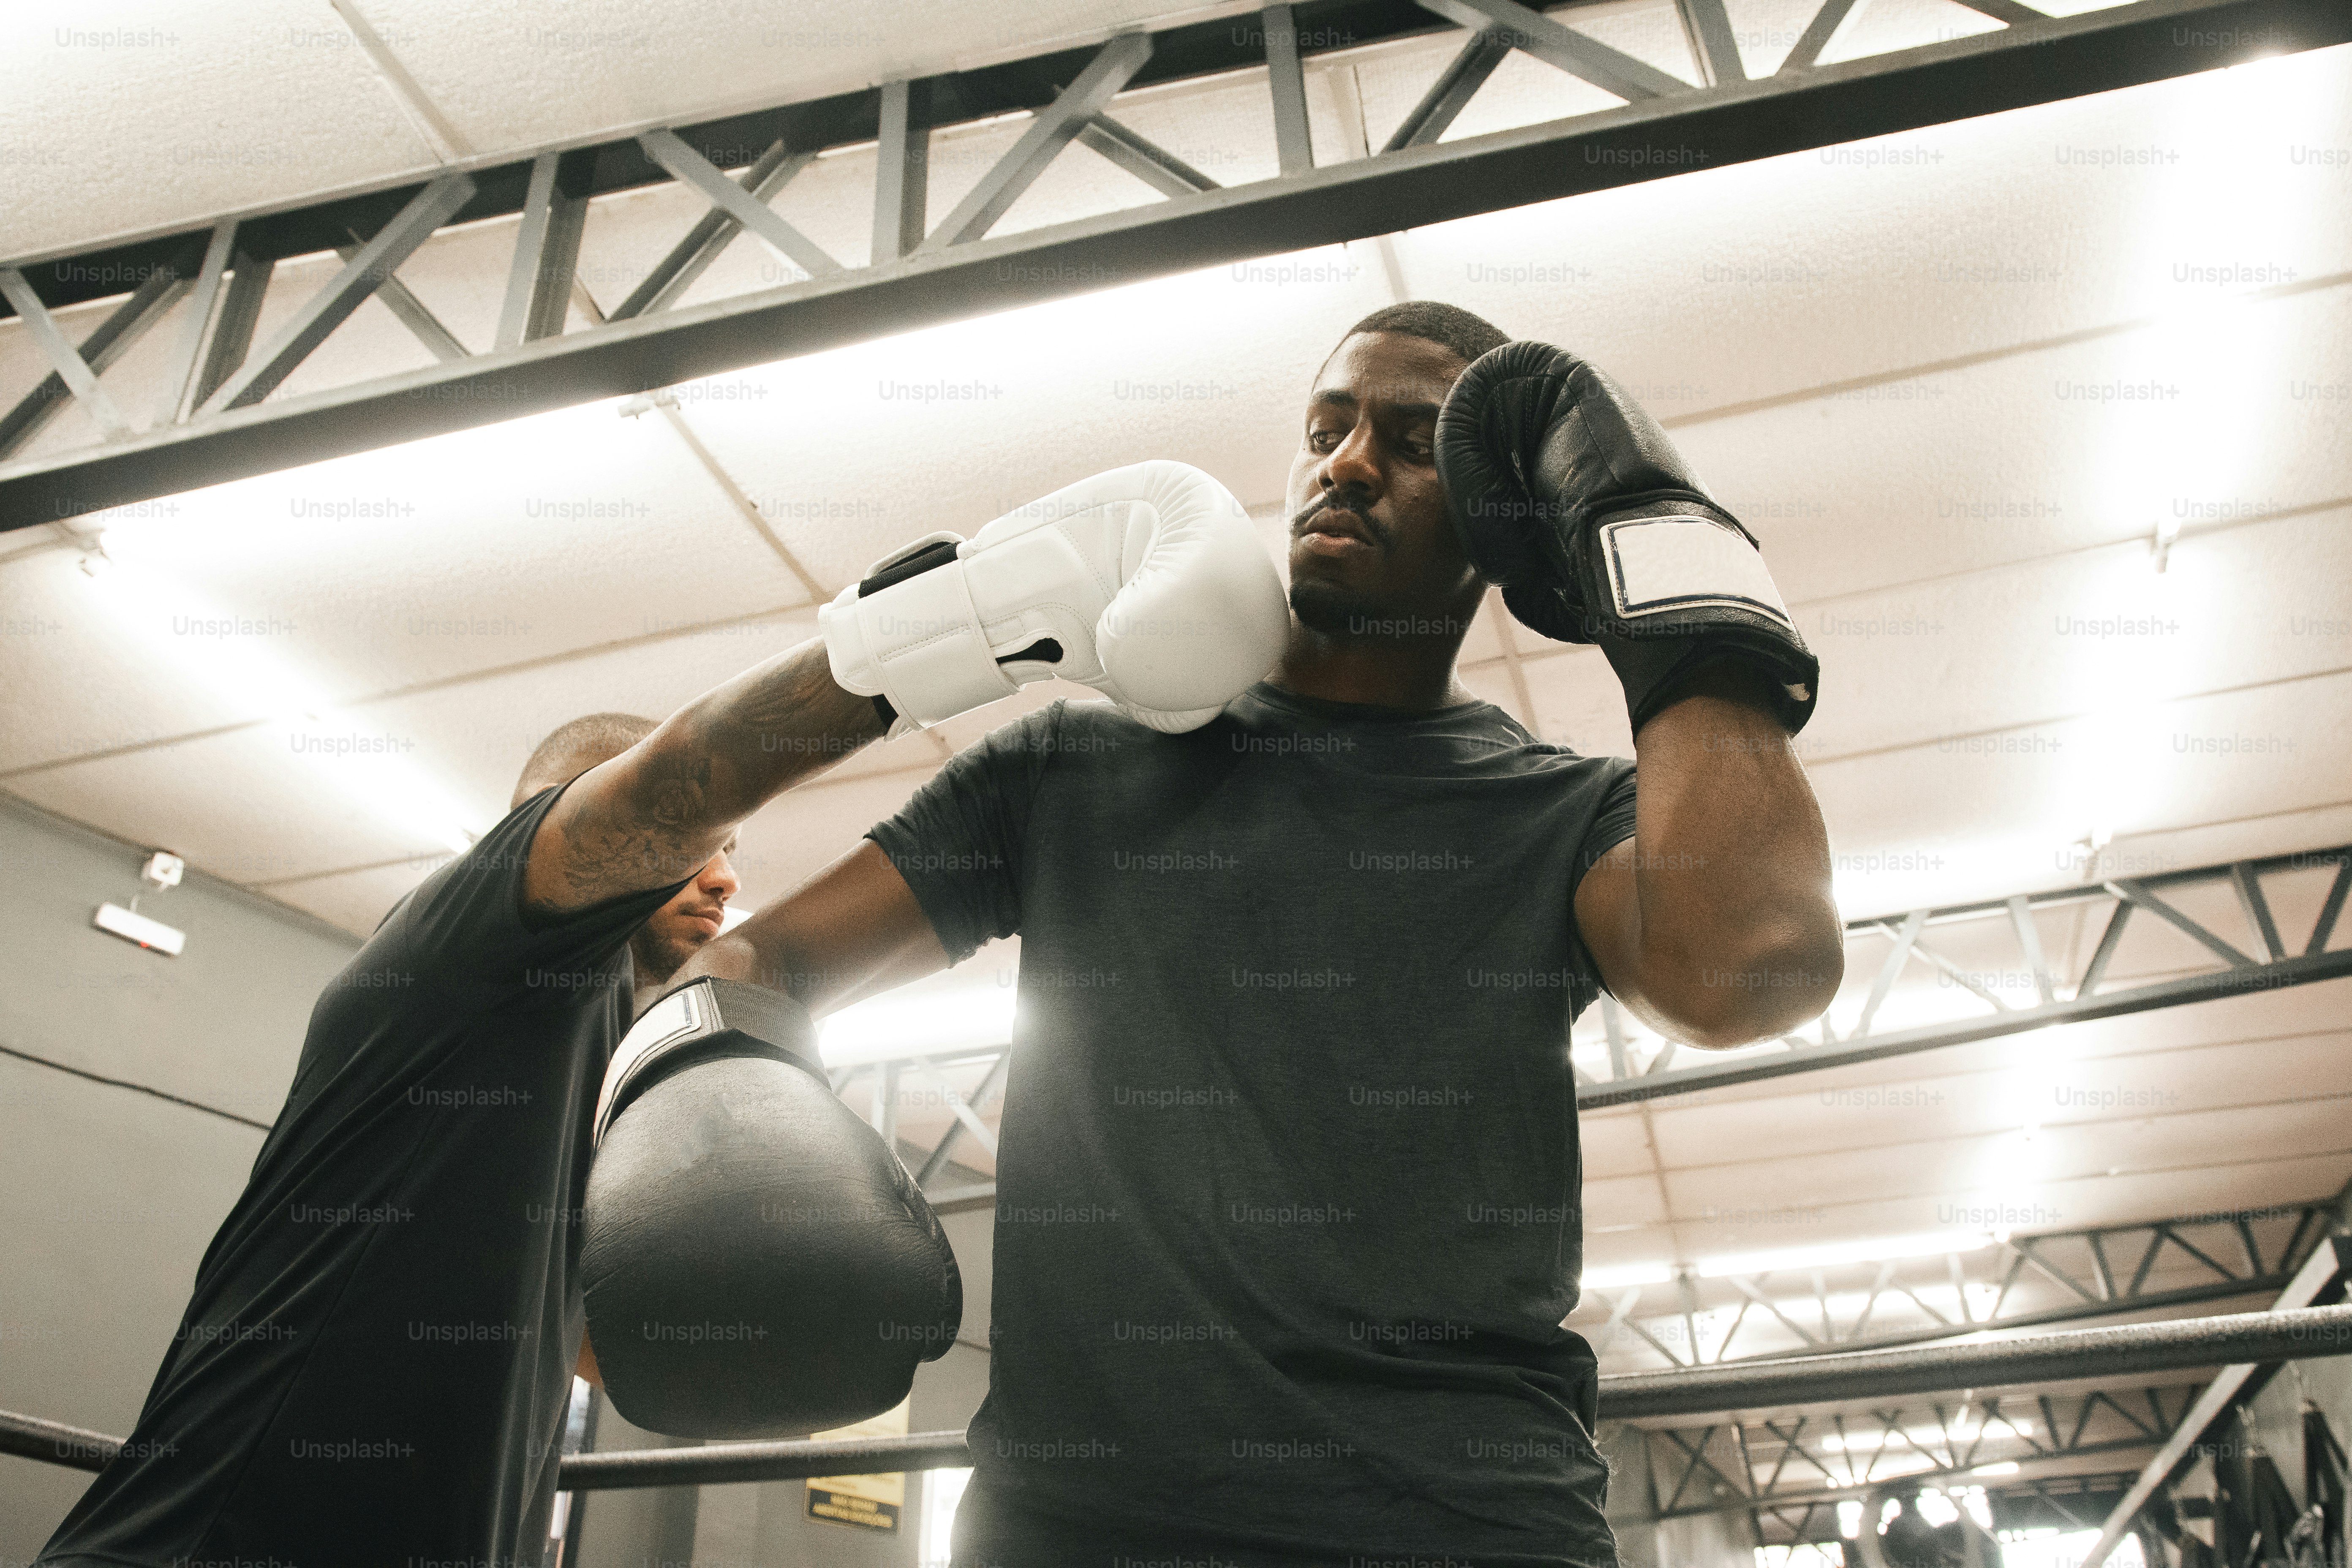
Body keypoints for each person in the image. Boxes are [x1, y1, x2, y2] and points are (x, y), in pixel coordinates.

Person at [656, 300, 1846, 1566]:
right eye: (1326, 430)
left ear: (1502, 515)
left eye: (1409, 440)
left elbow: (1751, 971)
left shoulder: (1565, 816)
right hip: (1077, 1528)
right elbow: (754, 968)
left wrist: (1655, 550)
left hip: (1460, 1524)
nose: (1344, 463)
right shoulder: (1075, 765)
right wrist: (752, 1161)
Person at [38, 673, 889, 1565]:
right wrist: (931, 640)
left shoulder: (585, 1048)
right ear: (554, 826)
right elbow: (678, 778)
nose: (723, 874)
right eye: (696, 843)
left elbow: (608, 1347)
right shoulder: (473, 939)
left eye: (732, 849)